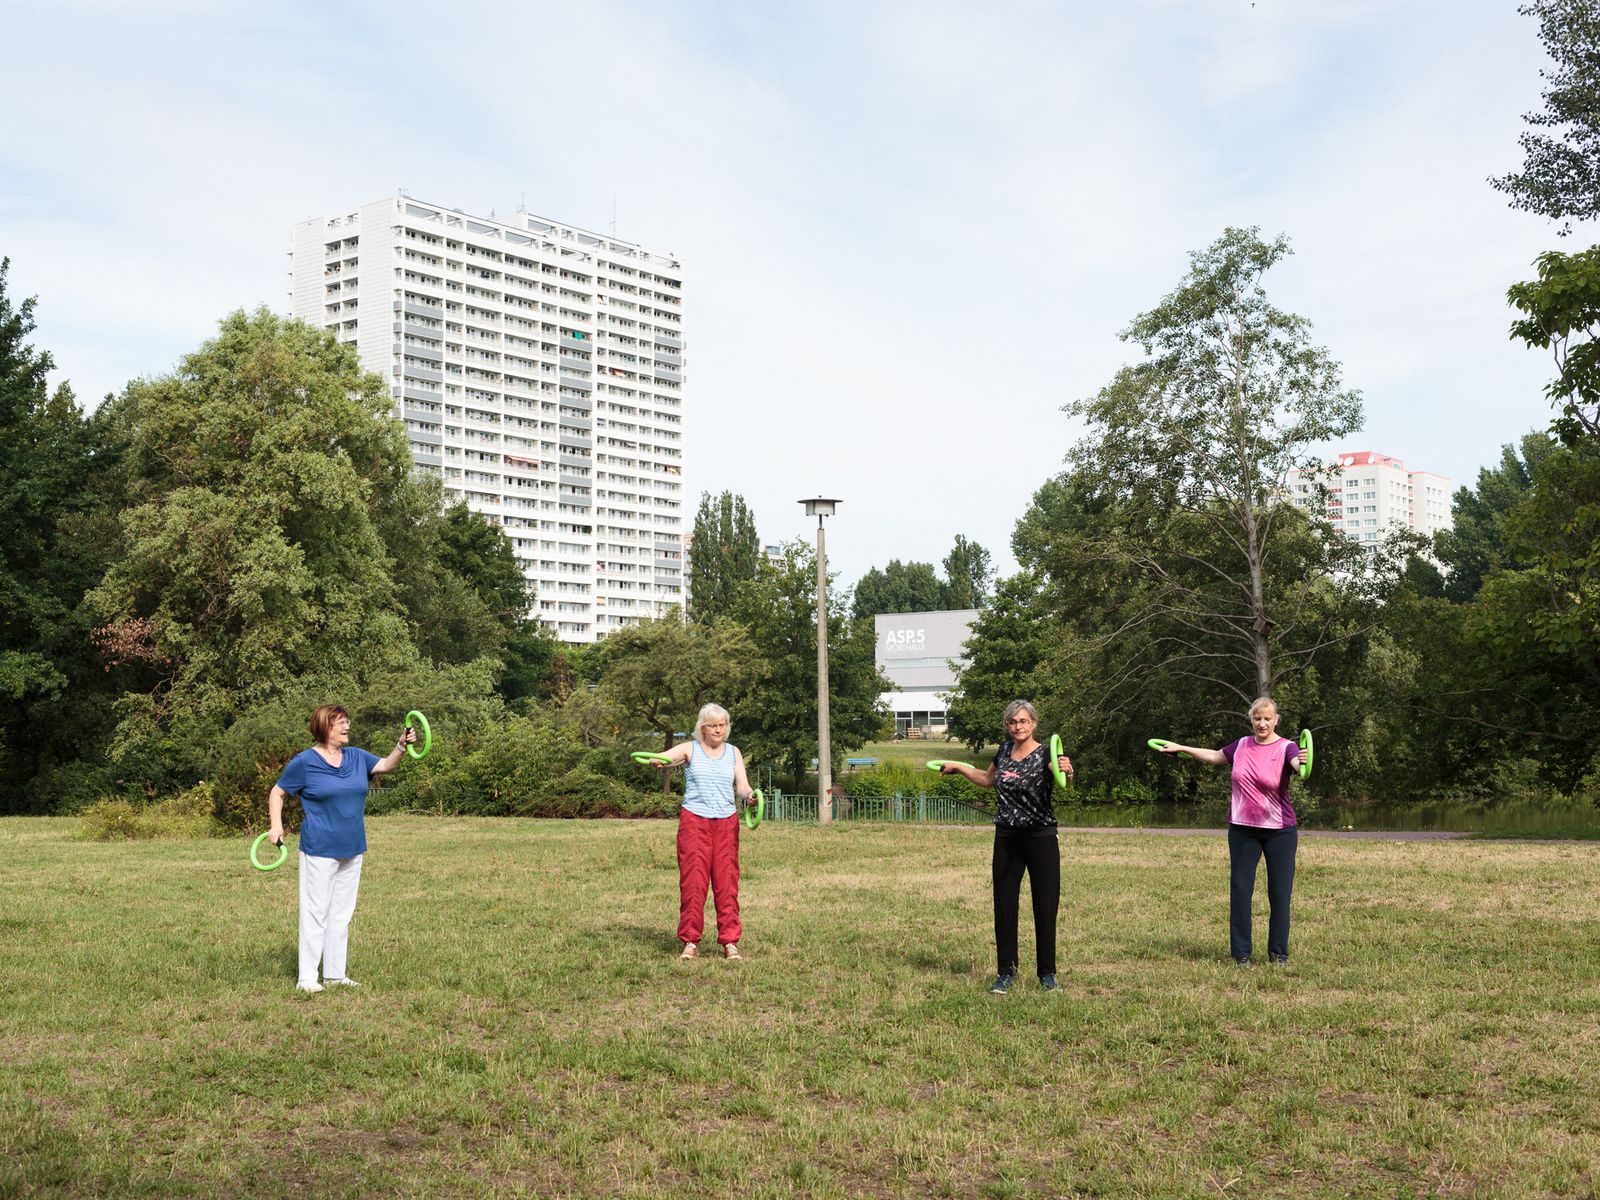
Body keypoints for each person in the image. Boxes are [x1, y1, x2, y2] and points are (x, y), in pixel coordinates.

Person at [267, 705, 416, 993]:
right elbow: (278, 792)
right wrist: (276, 826)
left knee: (341, 913)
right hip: (319, 848)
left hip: (352, 847)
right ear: (324, 728)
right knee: (315, 912)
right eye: (340, 724)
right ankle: (307, 978)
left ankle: (335, 974)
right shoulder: (305, 762)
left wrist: (401, 746)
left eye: (347, 723)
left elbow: (385, 766)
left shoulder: (356, 757)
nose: (347, 728)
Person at [940, 700, 1075, 995]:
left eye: (1024, 721)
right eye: (1013, 722)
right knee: (1004, 906)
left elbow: (1063, 774)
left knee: (1045, 906)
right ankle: (1006, 973)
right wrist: (960, 768)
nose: (1019, 727)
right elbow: (987, 780)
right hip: (1006, 839)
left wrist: (1067, 768)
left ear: (1034, 724)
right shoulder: (1003, 751)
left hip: (1040, 838)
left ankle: (1047, 975)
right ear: (1008, 725)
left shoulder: (1046, 754)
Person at [1159, 697, 1305, 965]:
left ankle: (1279, 954)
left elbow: (1298, 766)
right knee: (1240, 892)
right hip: (1242, 830)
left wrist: (1302, 762)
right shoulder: (1241, 745)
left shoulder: (1288, 747)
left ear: (1276, 720)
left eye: (1267, 719)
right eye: (1257, 718)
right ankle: (1241, 955)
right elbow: (1215, 756)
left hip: (1280, 830)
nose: (1262, 723)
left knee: (1280, 893)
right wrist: (1180, 747)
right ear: (1252, 719)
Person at [652, 703, 755, 961]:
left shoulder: (733, 753)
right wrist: (658, 760)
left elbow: (742, 786)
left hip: (726, 823)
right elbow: (669, 757)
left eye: (722, 725)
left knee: (727, 883)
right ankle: (690, 941)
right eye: (713, 725)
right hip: (694, 823)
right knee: (694, 883)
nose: (718, 729)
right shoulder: (691, 748)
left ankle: (730, 942)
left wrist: (751, 797)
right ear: (703, 727)